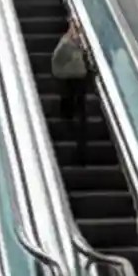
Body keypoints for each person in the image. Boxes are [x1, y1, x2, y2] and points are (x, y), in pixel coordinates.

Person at [51, 17, 93, 165]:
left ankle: (81, 150)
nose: (78, 32)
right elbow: (56, 66)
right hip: (70, 83)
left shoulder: (82, 45)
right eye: (76, 28)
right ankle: (71, 138)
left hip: (79, 83)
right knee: (72, 112)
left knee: (81, 116)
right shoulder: (65, 45)